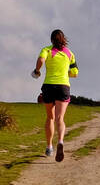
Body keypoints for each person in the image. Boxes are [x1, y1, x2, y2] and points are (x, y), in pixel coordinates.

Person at [32, 30, 78, 161]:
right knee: (60, 118)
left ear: (51, 39)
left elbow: (41, 60)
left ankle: (49, 147)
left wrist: (37, 71)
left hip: (49, 86)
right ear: (64, 39)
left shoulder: (46, 50)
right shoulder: (70, 53)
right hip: (63, 86)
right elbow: (75, 72)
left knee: (50, 118)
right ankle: (61, 142)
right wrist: (65, 73)